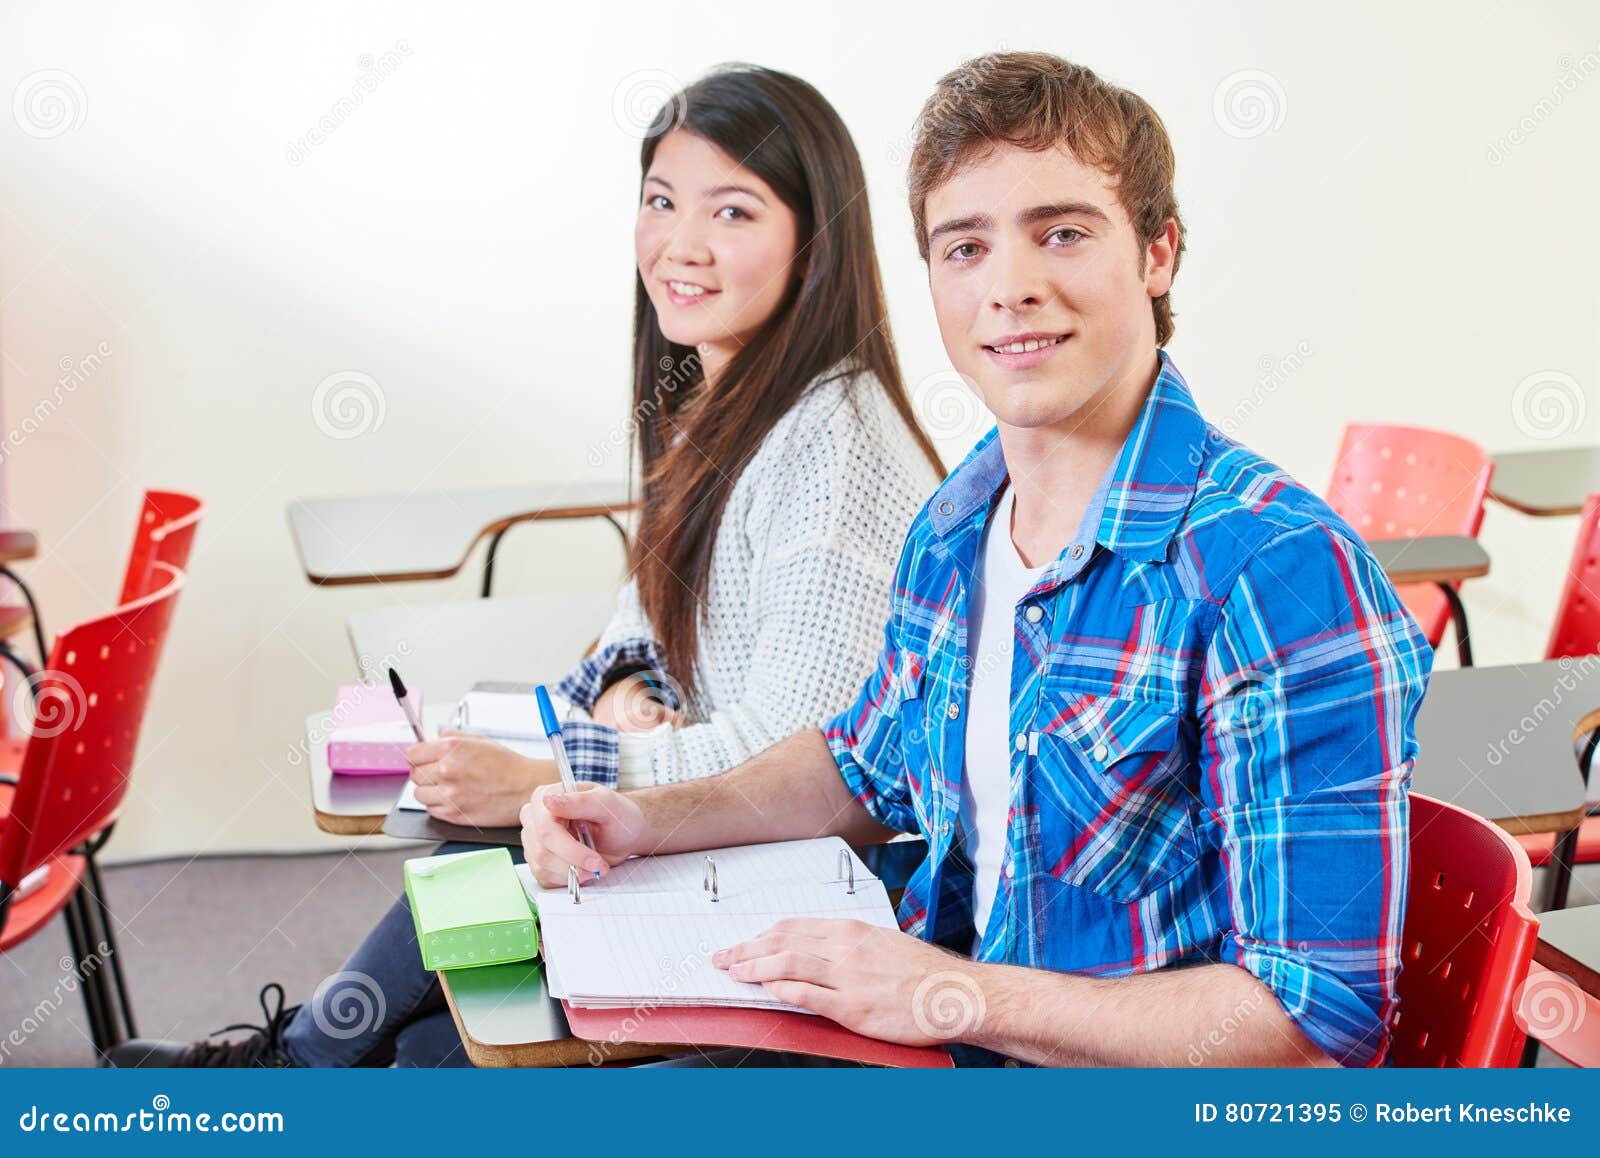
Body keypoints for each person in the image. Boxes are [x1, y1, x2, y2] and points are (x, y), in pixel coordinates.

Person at [523, 51, 1433, 1068]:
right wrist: (646, 820)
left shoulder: (1279, 570)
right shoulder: (959, 523)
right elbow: (861, 769)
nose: (1010, 288)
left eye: (1062, 234)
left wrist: (953, 994)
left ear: (1157, 254)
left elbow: (1309, 1027)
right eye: (965, 248)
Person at [110, 63, 943, 1068]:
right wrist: (631, 692)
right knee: (456, 939)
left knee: (457, 962)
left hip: (807, 878)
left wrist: (556, 772)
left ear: (815, 246)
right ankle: (288, 1070)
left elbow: (801, 759)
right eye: (661, 202)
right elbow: (640, 626)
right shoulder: (726, 397)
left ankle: (282, 1076)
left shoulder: (831, 444)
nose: (681, 245)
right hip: (734, 843)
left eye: (732, 212)